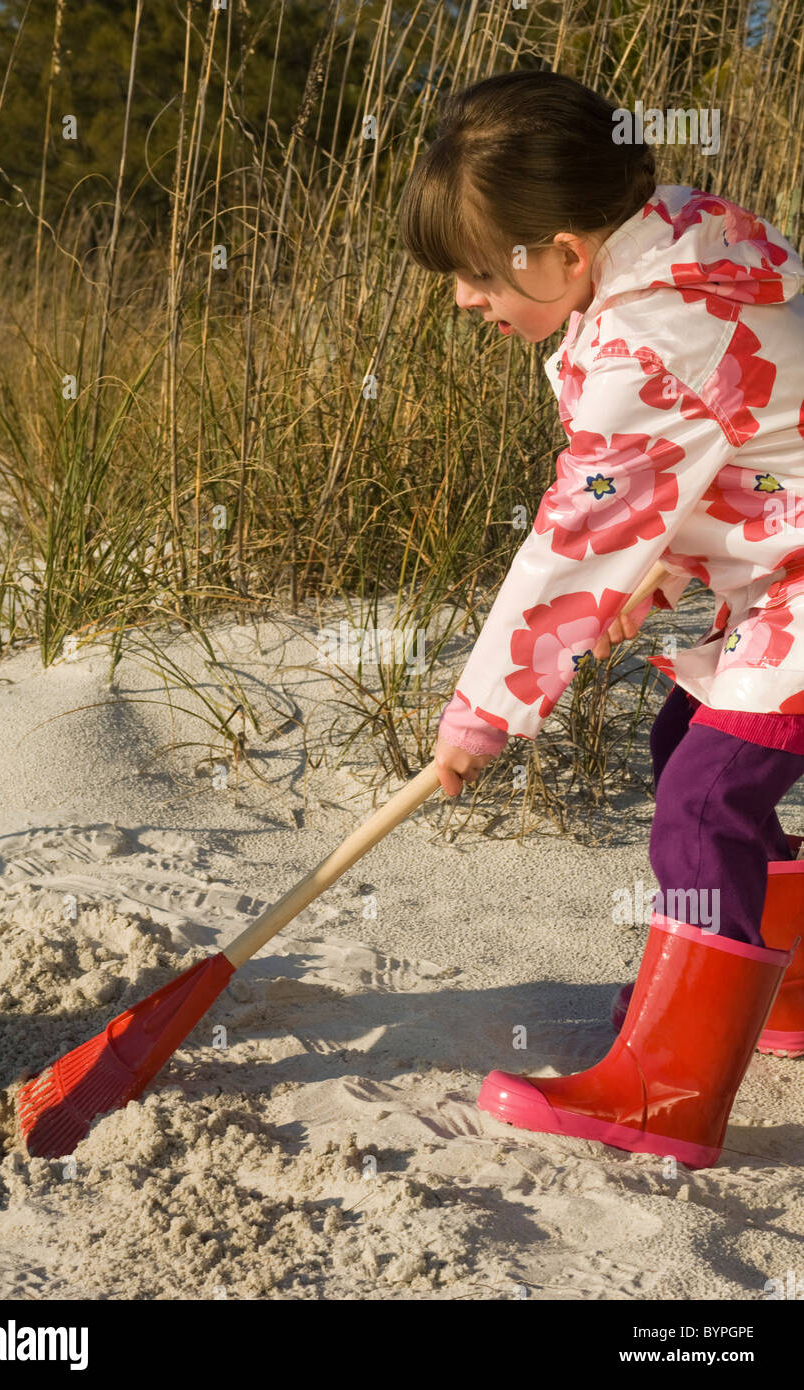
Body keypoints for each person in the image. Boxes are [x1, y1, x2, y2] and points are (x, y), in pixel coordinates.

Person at [397, 69, 804, 1168]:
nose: (464, 299)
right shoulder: (682, 250)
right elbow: (732, 455)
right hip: (783, 572)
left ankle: (666, 1092)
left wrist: (484, 711)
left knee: (704, 793)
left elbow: (576, 540)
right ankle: (784, 988)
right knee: (692, 741)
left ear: (567, 253)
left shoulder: (645, 342)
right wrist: (652, 582)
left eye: (481, 274)